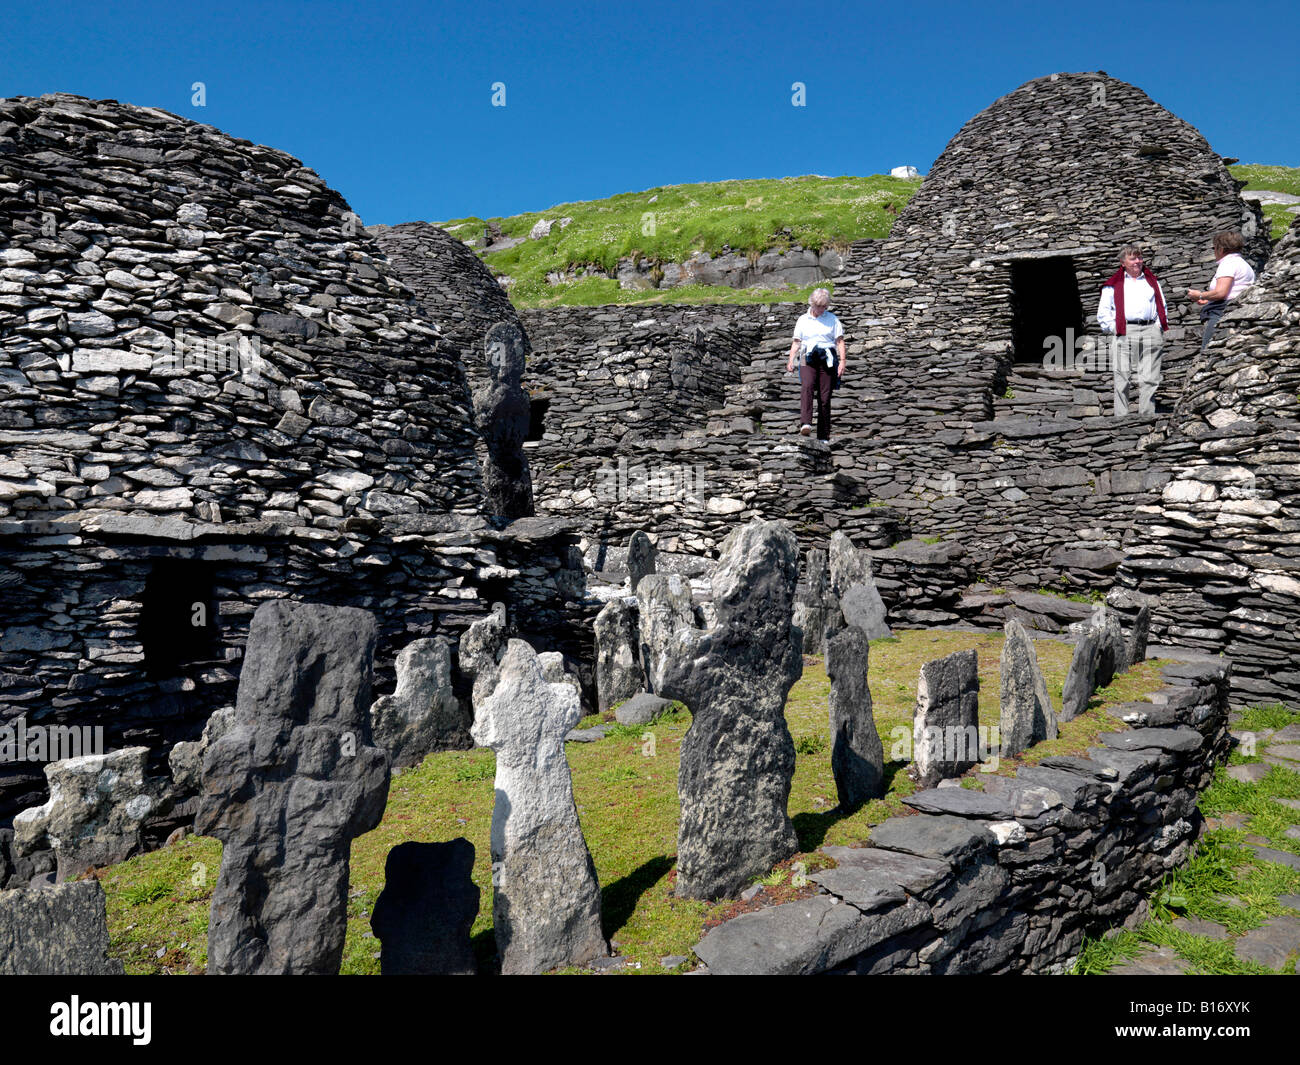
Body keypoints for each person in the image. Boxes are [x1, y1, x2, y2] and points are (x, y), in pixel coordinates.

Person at [1097, 244, 1169, 417]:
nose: (1138, 261)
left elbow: (1162, 306)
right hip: (1124, 331)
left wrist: (1157, 327)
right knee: (1122, 375)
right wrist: (1115, 327)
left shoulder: (1152, 282)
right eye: (1133, 258)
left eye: (1139, 257)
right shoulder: (1112, 285)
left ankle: (1147, 415)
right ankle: (1121, 416)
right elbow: (1103, 313)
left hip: (1150, 329)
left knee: (1150, 376)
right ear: (1123, 262)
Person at [786, 288, 846, 441]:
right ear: (812, 304)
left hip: (827, 357)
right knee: (807, 385)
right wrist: (791, 359)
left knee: (825, 398)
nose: (822, 309)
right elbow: (797, 342)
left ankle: (823, 436)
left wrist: (843, 362)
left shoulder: (832, 319)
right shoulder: (803, 320)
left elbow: (839, 342)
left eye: (824, 306)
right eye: (819, 306)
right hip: (807, 355)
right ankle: (805, 423)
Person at [1187, 230, 1255, 351]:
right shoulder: (1244, 264)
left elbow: (1221, 292)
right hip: (1235, 309)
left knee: (1208, 350)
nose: (1214, 252)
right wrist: (1208, 300)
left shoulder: (1228, 263)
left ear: (1221, 249)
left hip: (1221, 313)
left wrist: (1200, 295)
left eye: (1214, 248)